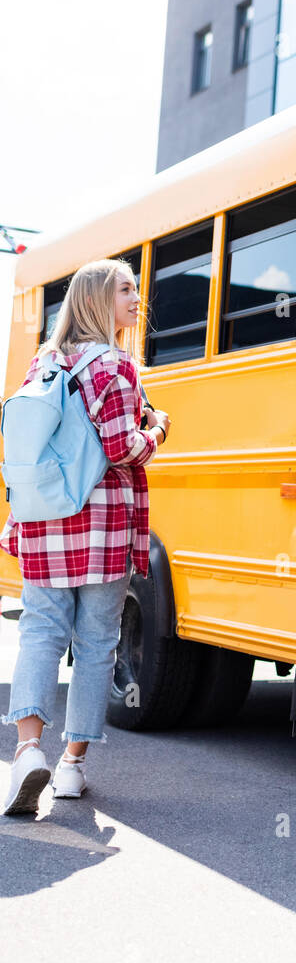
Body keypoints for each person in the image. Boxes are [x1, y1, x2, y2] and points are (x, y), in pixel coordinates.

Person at [1, 259, 170, 814]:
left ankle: (28, 751)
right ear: (98, 299)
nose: (135, 300)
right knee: (97, 643)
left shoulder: (43, 363)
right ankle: (71, 766)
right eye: (125, 290)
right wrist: (159, 429)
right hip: (98, 525)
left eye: (137, 290)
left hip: (45, 521)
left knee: (41, 632)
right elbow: (123, 448)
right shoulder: (115, 366)